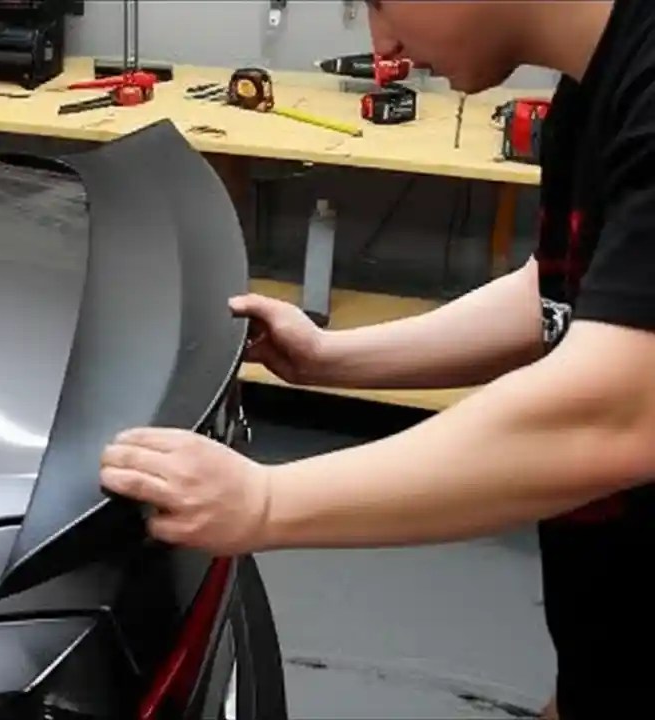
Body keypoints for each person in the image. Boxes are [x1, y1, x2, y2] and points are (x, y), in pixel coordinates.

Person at [98, 2, 655, 719]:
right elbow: (560, 293)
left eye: (380, 1)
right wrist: (331, 358)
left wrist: (266, 503)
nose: (381, 41)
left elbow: (614, 416)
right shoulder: (593, 87)